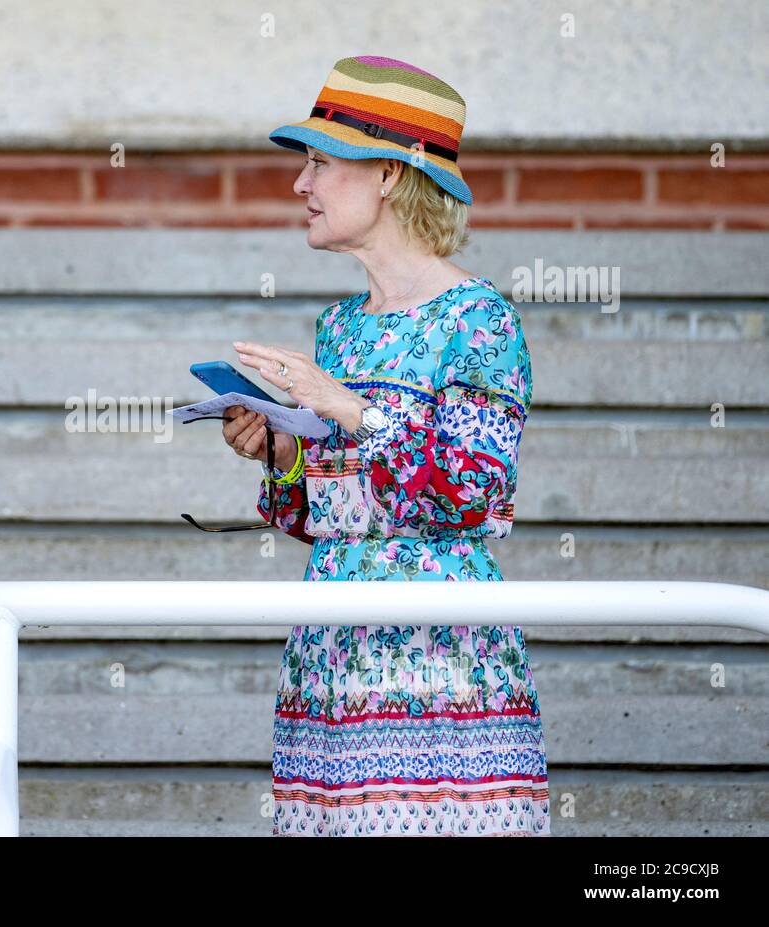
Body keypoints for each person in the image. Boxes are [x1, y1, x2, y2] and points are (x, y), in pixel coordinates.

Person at [226, 56, 548, 836]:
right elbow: (335, 511)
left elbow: (472, 488)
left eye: (320, 163)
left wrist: (345, 406)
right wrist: (281, 453)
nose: (301, 184)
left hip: (437, 655)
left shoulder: (479, 320)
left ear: (391, 177)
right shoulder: (338, 327)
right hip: (333, 652)